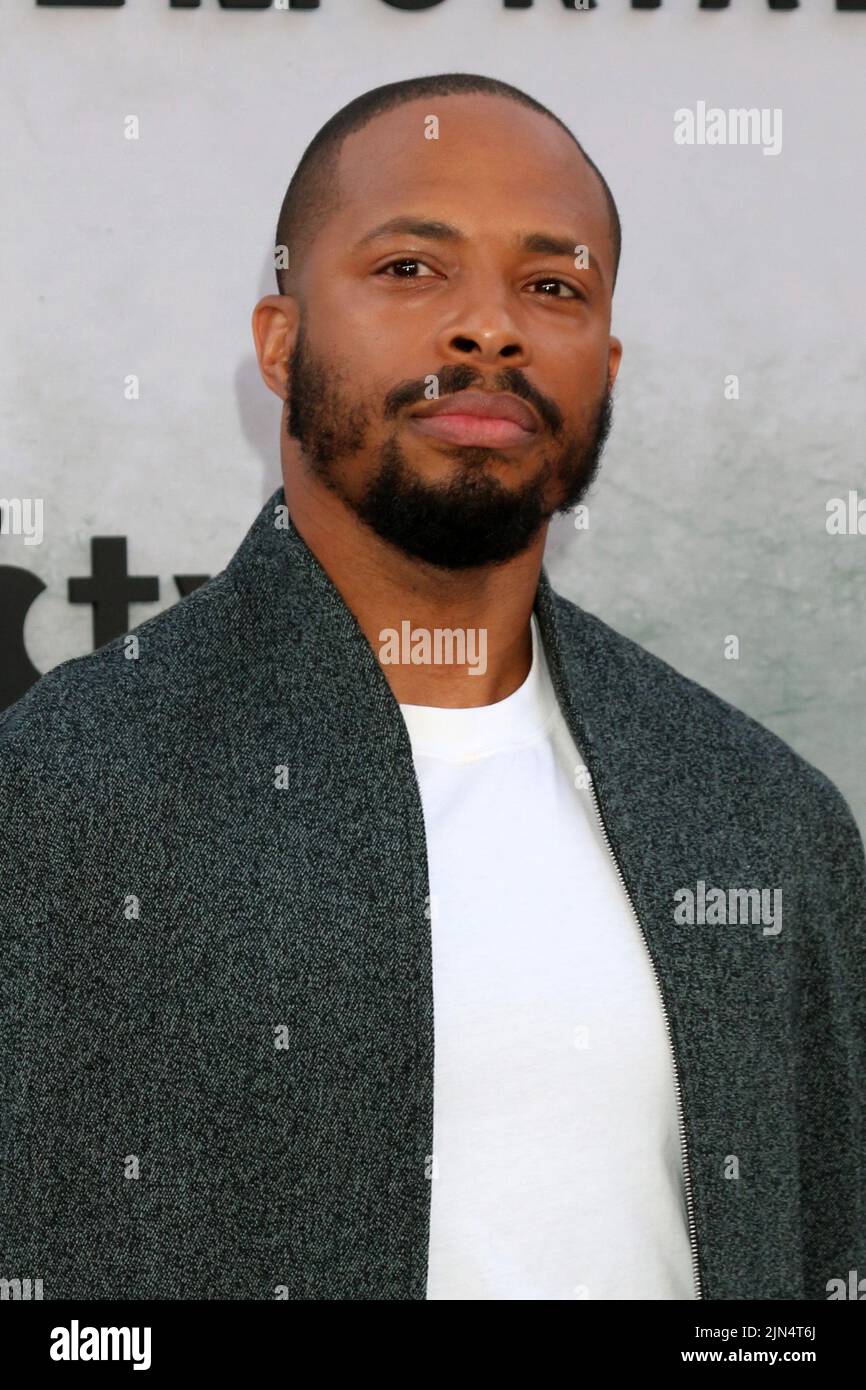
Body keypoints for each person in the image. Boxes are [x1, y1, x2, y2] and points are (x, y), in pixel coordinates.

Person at [1, 73, 863, 1302]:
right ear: (280, 340)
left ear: (604, 365)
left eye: (551, 286)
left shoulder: (764, 823)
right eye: (412, 269)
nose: (488, 330)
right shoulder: (64, 793)